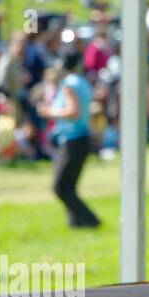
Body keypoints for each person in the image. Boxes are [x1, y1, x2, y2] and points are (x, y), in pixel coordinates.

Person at [41, 50, 100, 229]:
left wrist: (50, 112)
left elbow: (74, 112)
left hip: (72, 139)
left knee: (60, 187)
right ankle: (75, 224)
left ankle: (90, 220)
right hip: (81, 138)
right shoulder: (83, 82)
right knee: (69, 186)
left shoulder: (69, 84)